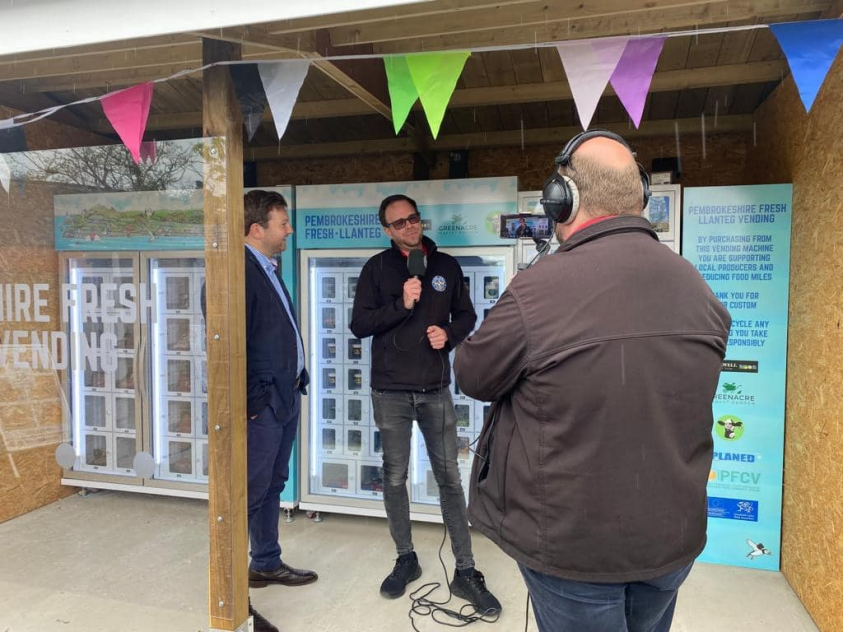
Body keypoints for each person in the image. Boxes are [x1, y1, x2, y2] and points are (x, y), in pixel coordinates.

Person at [454, 131, 731, 632]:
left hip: (573, 546)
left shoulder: (539, 290)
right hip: (672, 537)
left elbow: (472, 374)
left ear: (564, 199)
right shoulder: (695, 284)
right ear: (641, 196)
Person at [350, 194, 501, 615]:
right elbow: (359, 325)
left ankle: (465, 570)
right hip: (390, 391)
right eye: (398, 224)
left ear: (421, 220)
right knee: (394, 477)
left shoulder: (447, 266)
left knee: (450, 479)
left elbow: (468, 316)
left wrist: (450, 335)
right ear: (387, 230)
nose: (408, 227)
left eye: (413, 219)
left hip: (435, 389)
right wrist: (403, 304)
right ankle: (406, 558)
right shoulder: (377, 269)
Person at [205, 190, 318, 632]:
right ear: (257, 229)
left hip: (284, 398)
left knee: (272, 485)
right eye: (282, 222)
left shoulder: (265, 268)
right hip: (264, 407)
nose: (289, 230)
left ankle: (266, 563)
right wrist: (254, 403)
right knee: (244, 498)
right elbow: (225, 345)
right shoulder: (234, 272)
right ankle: (234, 600)